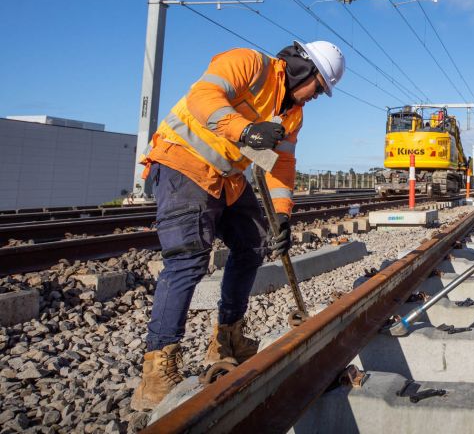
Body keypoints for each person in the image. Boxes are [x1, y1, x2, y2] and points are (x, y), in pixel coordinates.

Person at [131, 40, 345, 410]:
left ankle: (227, 340)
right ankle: (156, 370)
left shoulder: (293, 114)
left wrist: (281, 214)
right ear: (302, 69)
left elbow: (281, 165)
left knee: (252, 244)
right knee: (188, 260)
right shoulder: (248, 63)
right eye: (319, 87)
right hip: (184, 162)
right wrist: (246, 131)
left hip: (226, 178)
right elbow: (203, 96)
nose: (317, 96)